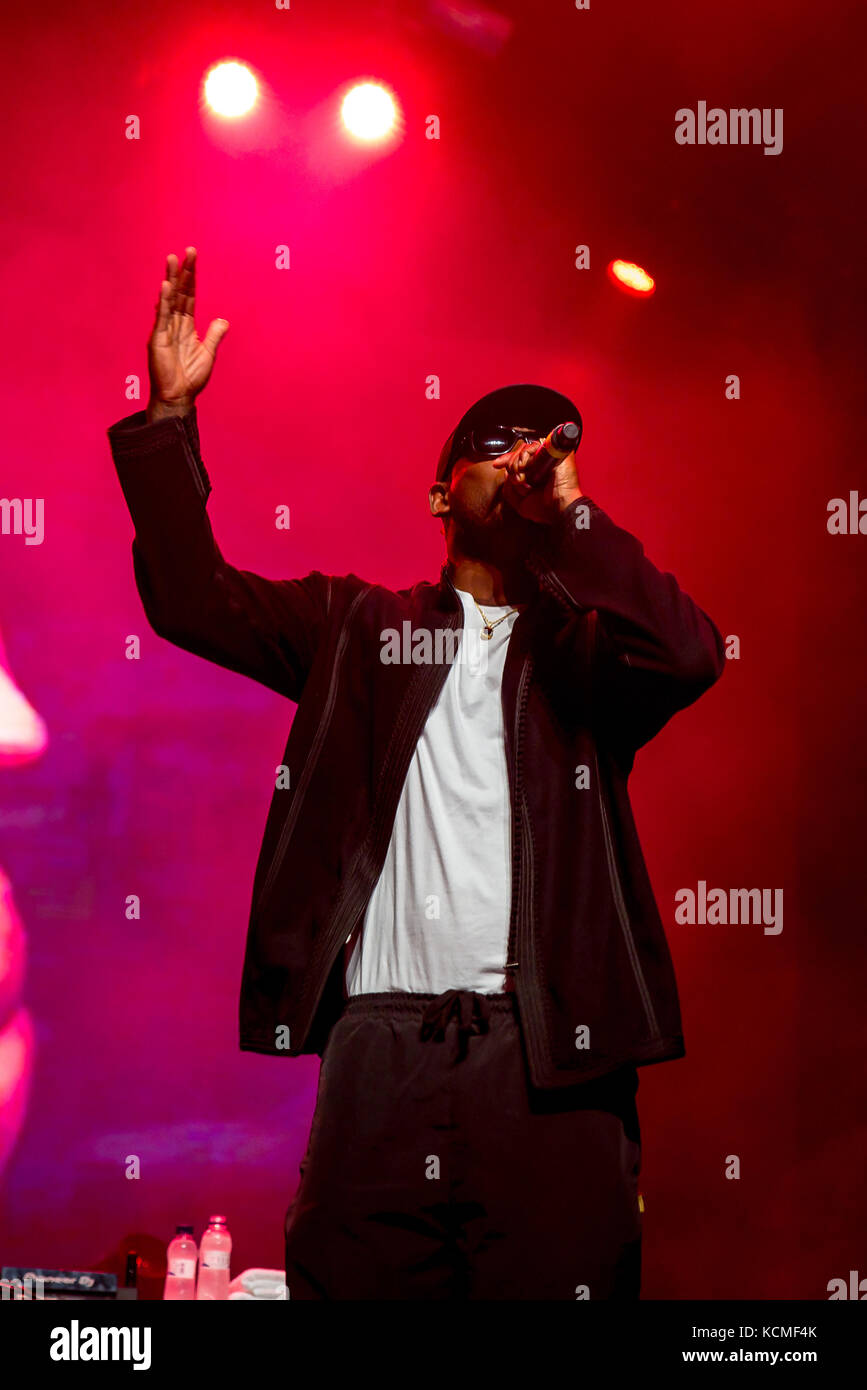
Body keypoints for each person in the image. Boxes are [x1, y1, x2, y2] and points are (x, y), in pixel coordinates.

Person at [108, 247, 725, 1300]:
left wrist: (569, 507)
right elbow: (191, 599)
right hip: (383, 1051)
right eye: (497, 444)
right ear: (442, 492)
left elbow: (691, 653)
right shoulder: (361, 627)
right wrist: (169, 422)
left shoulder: (585, 656)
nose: (526, 454)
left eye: (546, 443)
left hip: (548, 1060)